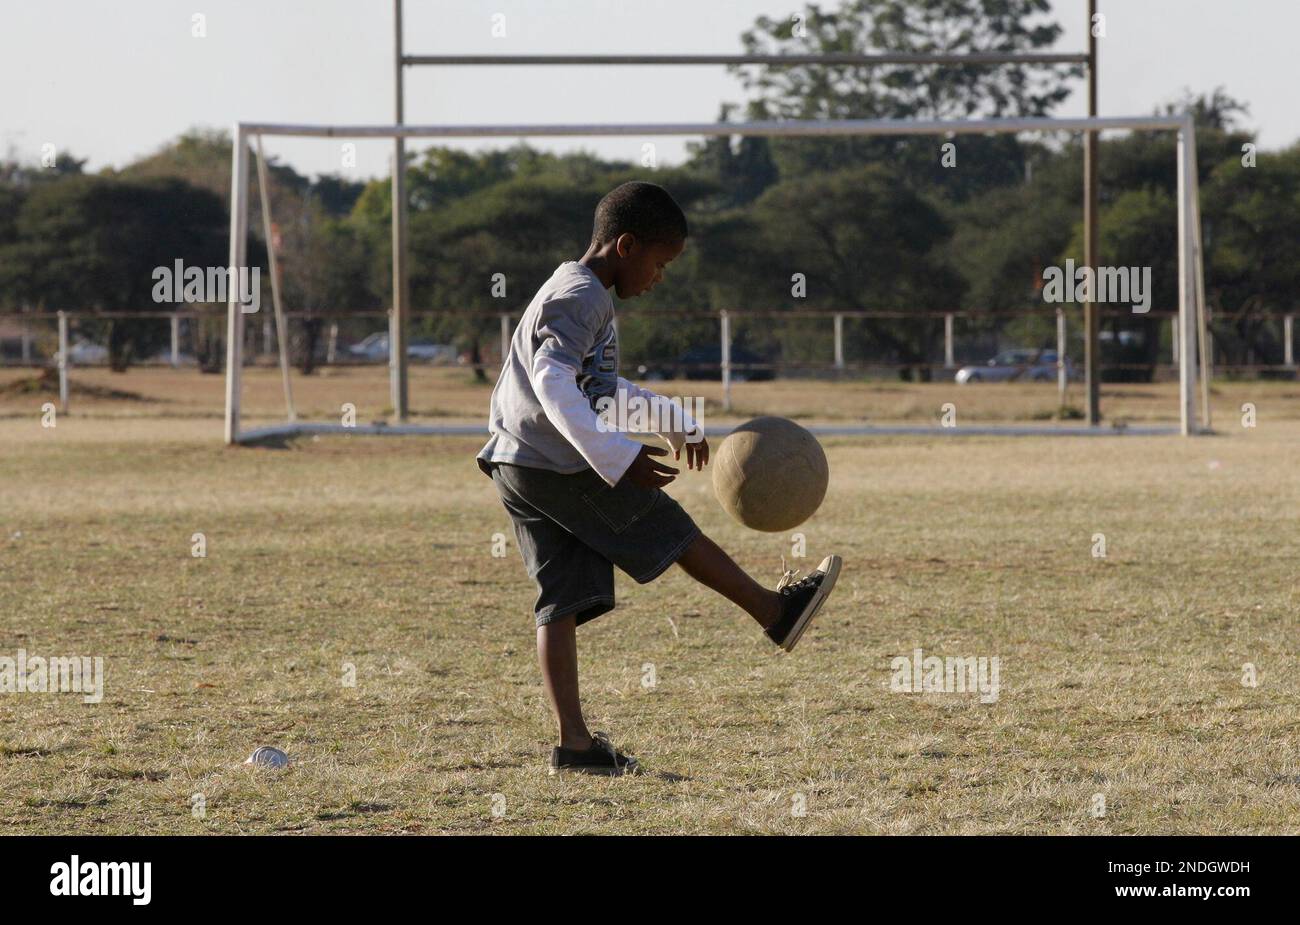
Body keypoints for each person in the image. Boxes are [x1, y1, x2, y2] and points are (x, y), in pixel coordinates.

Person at [477, 181, 841, 775]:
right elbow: (551, 383)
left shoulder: (578, 290)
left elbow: (593, 390)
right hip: (554, 464)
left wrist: (668, 418)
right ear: (626, 246)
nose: (660, 276)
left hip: (520, 461)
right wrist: (617, 458)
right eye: (660, 262)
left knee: (560, 602)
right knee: (672, 528)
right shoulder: (580, 297)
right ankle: (776, 614)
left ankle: (574, 746)